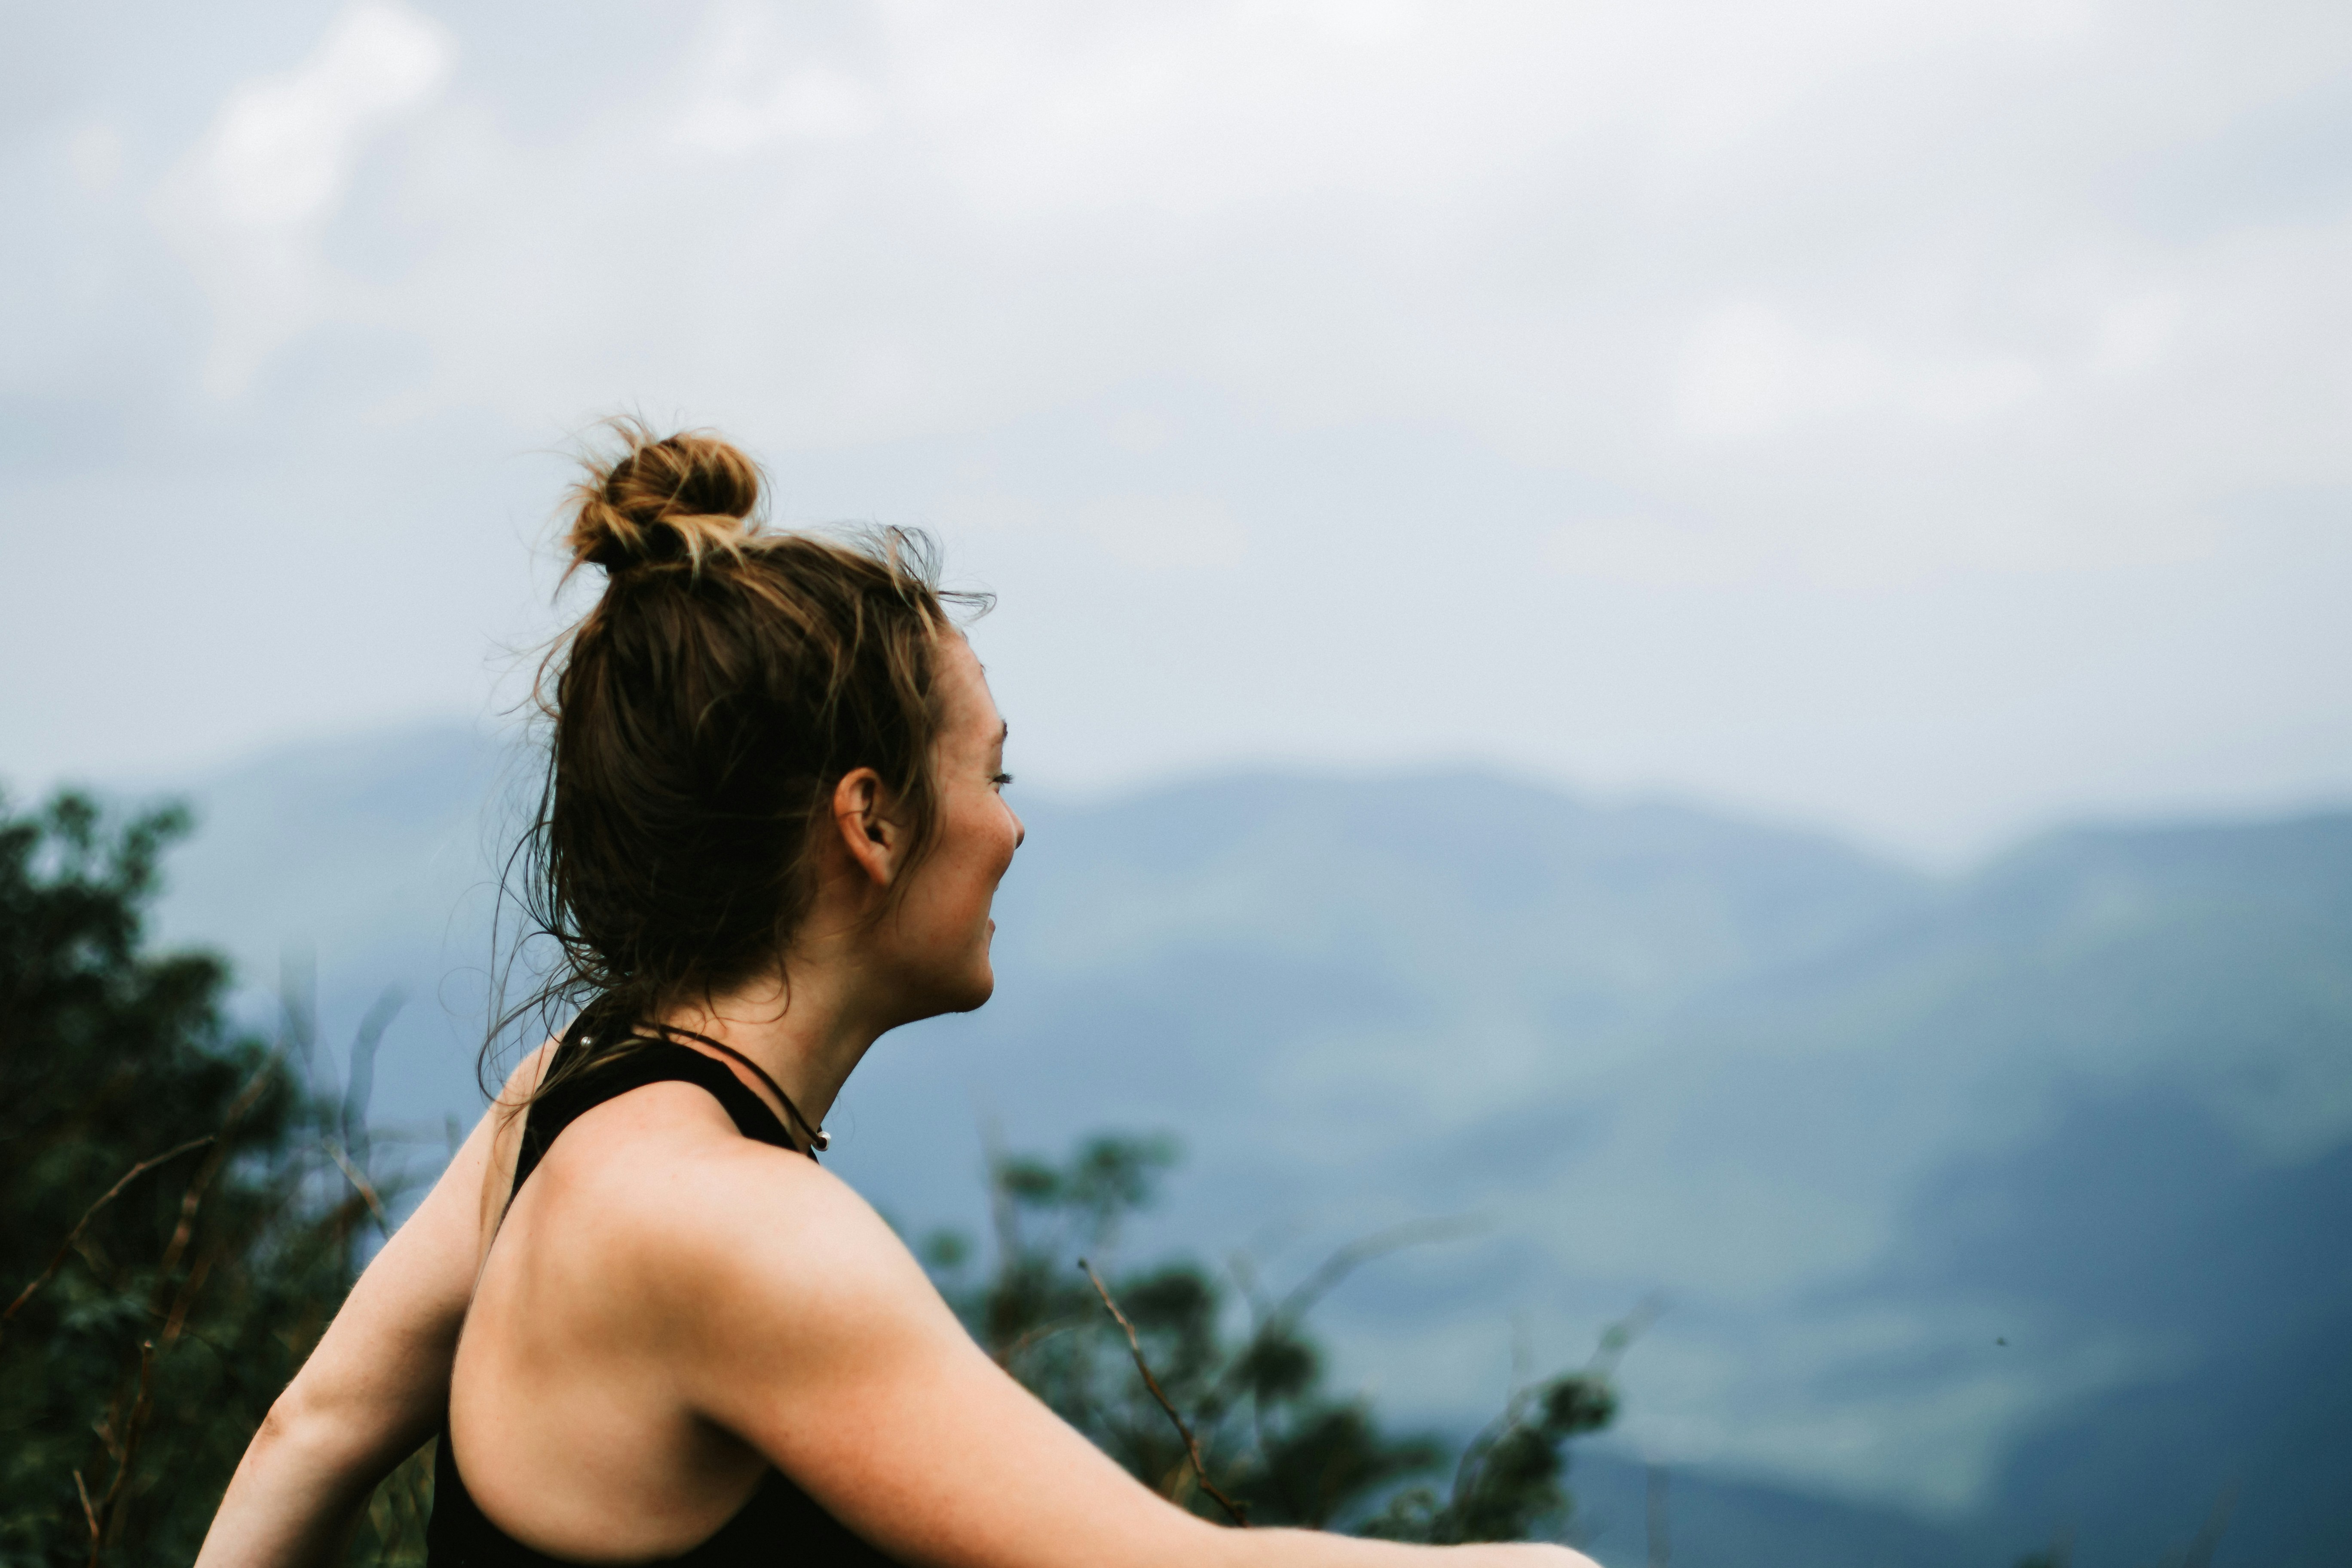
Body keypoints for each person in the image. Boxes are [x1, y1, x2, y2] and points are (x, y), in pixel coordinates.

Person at [195, 425, 1594, 1568]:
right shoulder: (725, 1228)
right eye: (993, 773)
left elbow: (306, 1434)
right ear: (869, 822)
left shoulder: (572, 1086)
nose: (1012, 828)